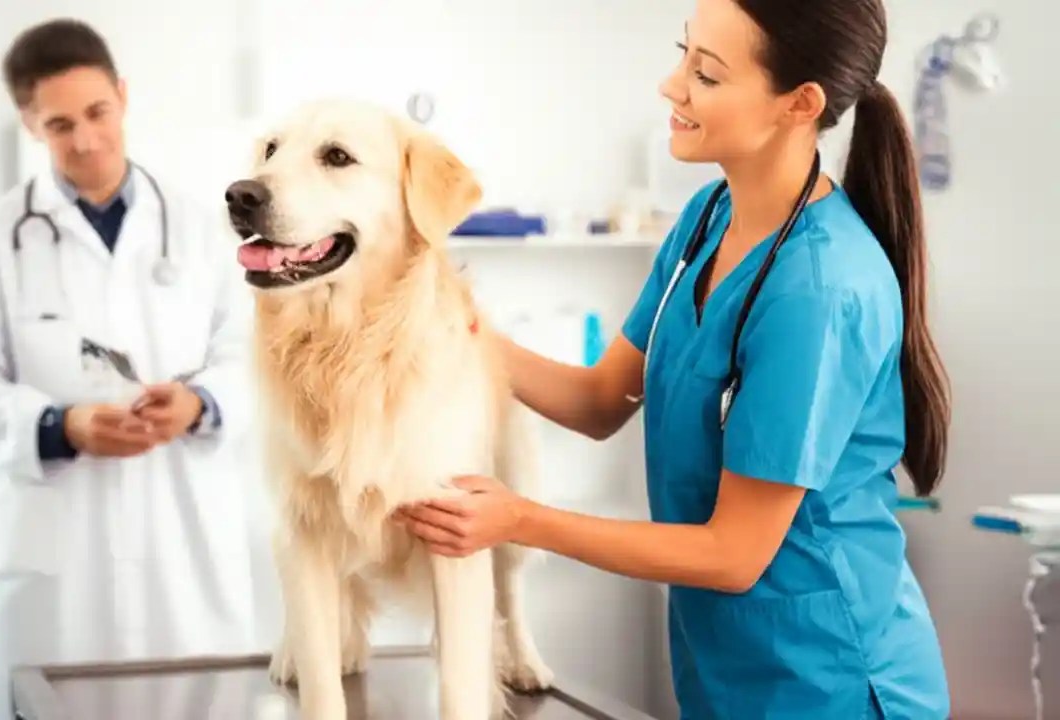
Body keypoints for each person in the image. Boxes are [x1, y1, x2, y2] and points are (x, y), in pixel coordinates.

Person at [397, 0, 953, 717]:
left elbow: (733, 553)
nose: (671, 85)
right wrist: (460, 335)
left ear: (800, 103)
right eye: (682, 55)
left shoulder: (820, 290)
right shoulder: (707, 219)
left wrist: (519, 520)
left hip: (831, 677)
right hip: (728, 663)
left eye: (707, 74)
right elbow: (602, 401)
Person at [0, 19, 256, 720]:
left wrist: (200, 404)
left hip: (184, 562)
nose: (84, 139)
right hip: (57, 571)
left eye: (98, 112)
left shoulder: (199, 230)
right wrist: (59, 424)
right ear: (29, 122)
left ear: (123, 96)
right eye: (59, 123)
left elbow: (253, 360)